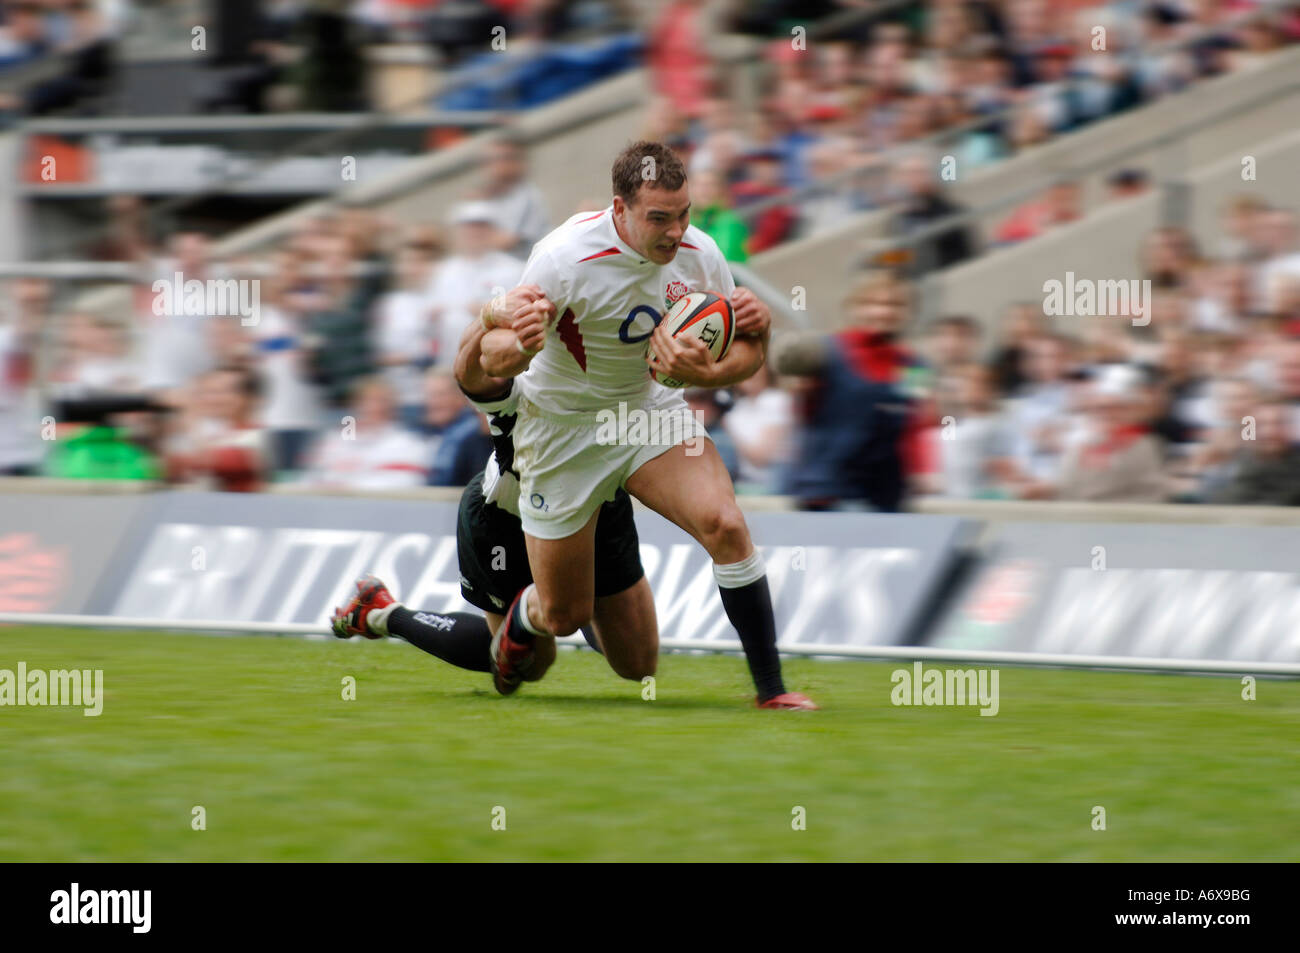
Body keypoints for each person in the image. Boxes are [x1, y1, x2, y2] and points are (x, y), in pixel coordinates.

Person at [466, 141, 815, 710]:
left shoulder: (700, 255)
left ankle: (771, 691)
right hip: (562, 432)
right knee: (564, 614)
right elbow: (497, 343)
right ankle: (524, 619)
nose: (676, 231)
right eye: (659, 218)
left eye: (684, 213)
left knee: (725, 524)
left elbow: (749, 354)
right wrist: (507, 346)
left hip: (647, 416)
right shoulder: (561, 257)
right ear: (619, 209)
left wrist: (709, 368)